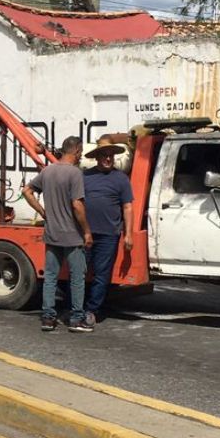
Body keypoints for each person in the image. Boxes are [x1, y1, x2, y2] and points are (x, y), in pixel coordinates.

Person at [22, 136, 93, 333]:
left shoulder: (47, 171)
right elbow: (77, 205)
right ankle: (77, 319)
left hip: (52, 233)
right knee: (77, 277)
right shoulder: (75, 173)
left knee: (51, 276)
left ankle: (47, 317)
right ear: (77, 150)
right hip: (72, 235)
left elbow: (27, 191)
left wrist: (43, 212)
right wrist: (87, 231)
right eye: (80, 152)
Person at [80, 135, 133, 331]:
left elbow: (127, 207)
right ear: (97, 157)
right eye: (104, 154)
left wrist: (129, 234)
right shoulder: (85, 176)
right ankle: (77, 308)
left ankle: (91, 311)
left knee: (102, 275)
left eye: (110, 154)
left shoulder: (121, 179)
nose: (108, 158)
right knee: (80, 272)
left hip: (109, 235)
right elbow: (76, 203)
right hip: (85, 233)